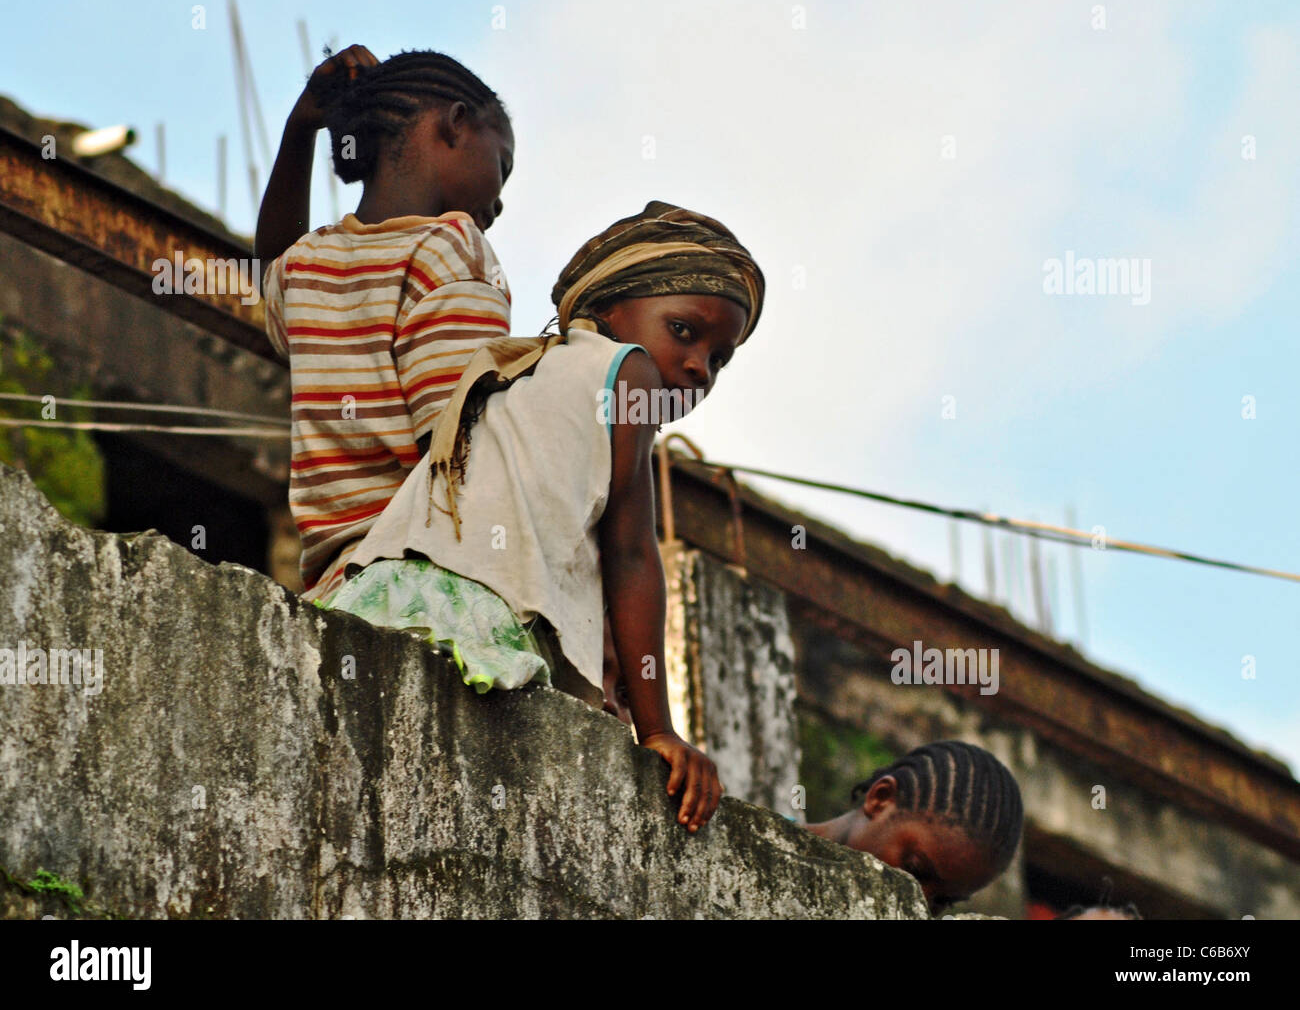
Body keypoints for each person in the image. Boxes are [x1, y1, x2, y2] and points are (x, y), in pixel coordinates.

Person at [323, 201, 765, 832]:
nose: (699, 366)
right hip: (470, 619)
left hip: (385, 596)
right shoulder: (628, 371)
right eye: (686, 332)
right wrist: (659, 730)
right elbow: (631, 554)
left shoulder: (527, 373)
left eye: (719, 359)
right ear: (612, 310)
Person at [260, 46, 517, 601]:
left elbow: (274, 268)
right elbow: (459, 452)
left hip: (337, 590)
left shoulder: (310, 267)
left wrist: (300, 127)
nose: (500, 203)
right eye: (503, 166)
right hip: (428, 581)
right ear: (456, 124)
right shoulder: (453, 248)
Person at [805, 740, 1024, 915]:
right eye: (913, 870)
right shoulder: (770, 848)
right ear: (879, 799)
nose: (918, 903)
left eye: (941, 903)